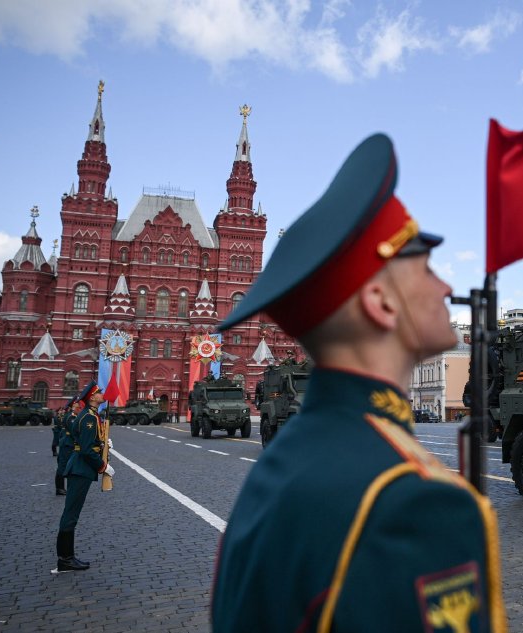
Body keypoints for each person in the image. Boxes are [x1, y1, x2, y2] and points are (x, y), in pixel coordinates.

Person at [211, 134, 507, 632]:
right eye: (426, 268)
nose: (447, 288)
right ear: (380, 302)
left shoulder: (282, 465)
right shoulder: (411, 500)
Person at [55, 382, 113, 572]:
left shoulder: (92, 415)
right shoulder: (88, 418)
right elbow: (87, 450)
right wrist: (103, 466)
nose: (102, 394)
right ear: (92, 398)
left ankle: (67, 557)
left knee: (72, 513)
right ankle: (65, 559)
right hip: (81, 469)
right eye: (99, 392)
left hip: (80, 468)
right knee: (71, 514)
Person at [53, 398, 79, 495]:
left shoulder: (70, 416)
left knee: (65, 465)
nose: (79, 409)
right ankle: (59, 488)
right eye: (77, 407)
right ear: (72, 408)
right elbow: (74, 431)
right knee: (63, 465)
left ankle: (61, 487)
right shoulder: (71, 417)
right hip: (68, 444)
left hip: (67, 442)